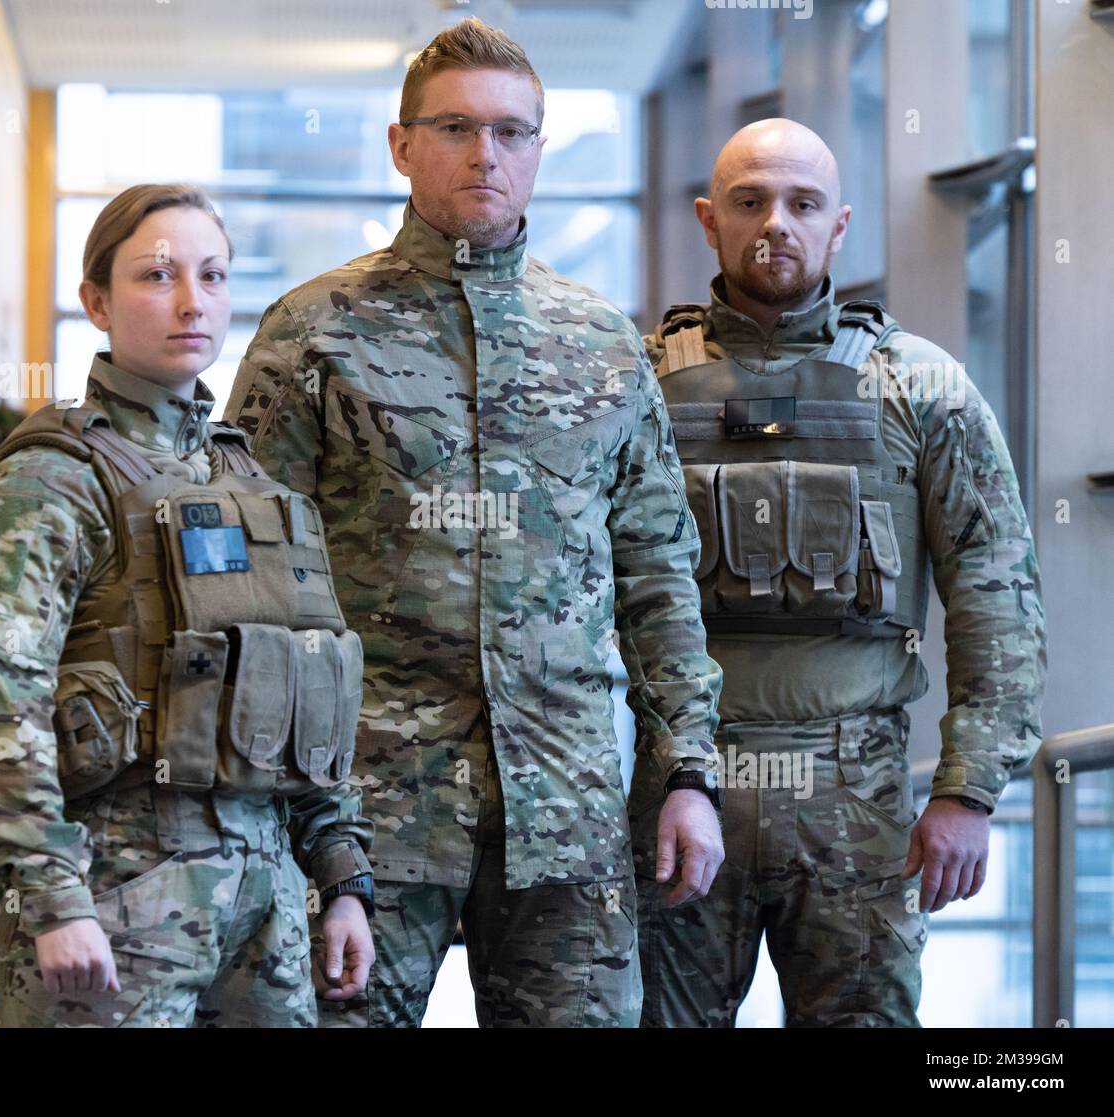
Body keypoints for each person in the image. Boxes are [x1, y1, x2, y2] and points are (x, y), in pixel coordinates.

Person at [225, 18, 723, 1029]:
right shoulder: (310, 333)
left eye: (510, 132)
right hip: (363, 808)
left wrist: (686, 769)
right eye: (454, 128)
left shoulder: (603, 348)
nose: (484, 153)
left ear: (539, 150)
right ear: (402, 145)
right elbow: (243, 584)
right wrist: (266, 803)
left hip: (568, 803)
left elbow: (658, 576)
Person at [634, 119, 1046, 1027]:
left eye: (802, 203)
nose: (775, 222)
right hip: (680, 787)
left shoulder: (921, 387)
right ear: (710, 219)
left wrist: (968, 789)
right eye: (750, 202)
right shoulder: (636, 385)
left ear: (840, 224)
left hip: (856, 790)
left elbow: (998, 594)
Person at [0, 183, 374, 1027]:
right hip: (116, 903)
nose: (191, 302)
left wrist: (341, 877)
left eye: (213, 276)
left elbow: (305, 693)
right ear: (95, 302)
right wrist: (53, 895)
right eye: (158, 275)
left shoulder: (252, 483)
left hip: (267, 913)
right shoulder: (53, 475)